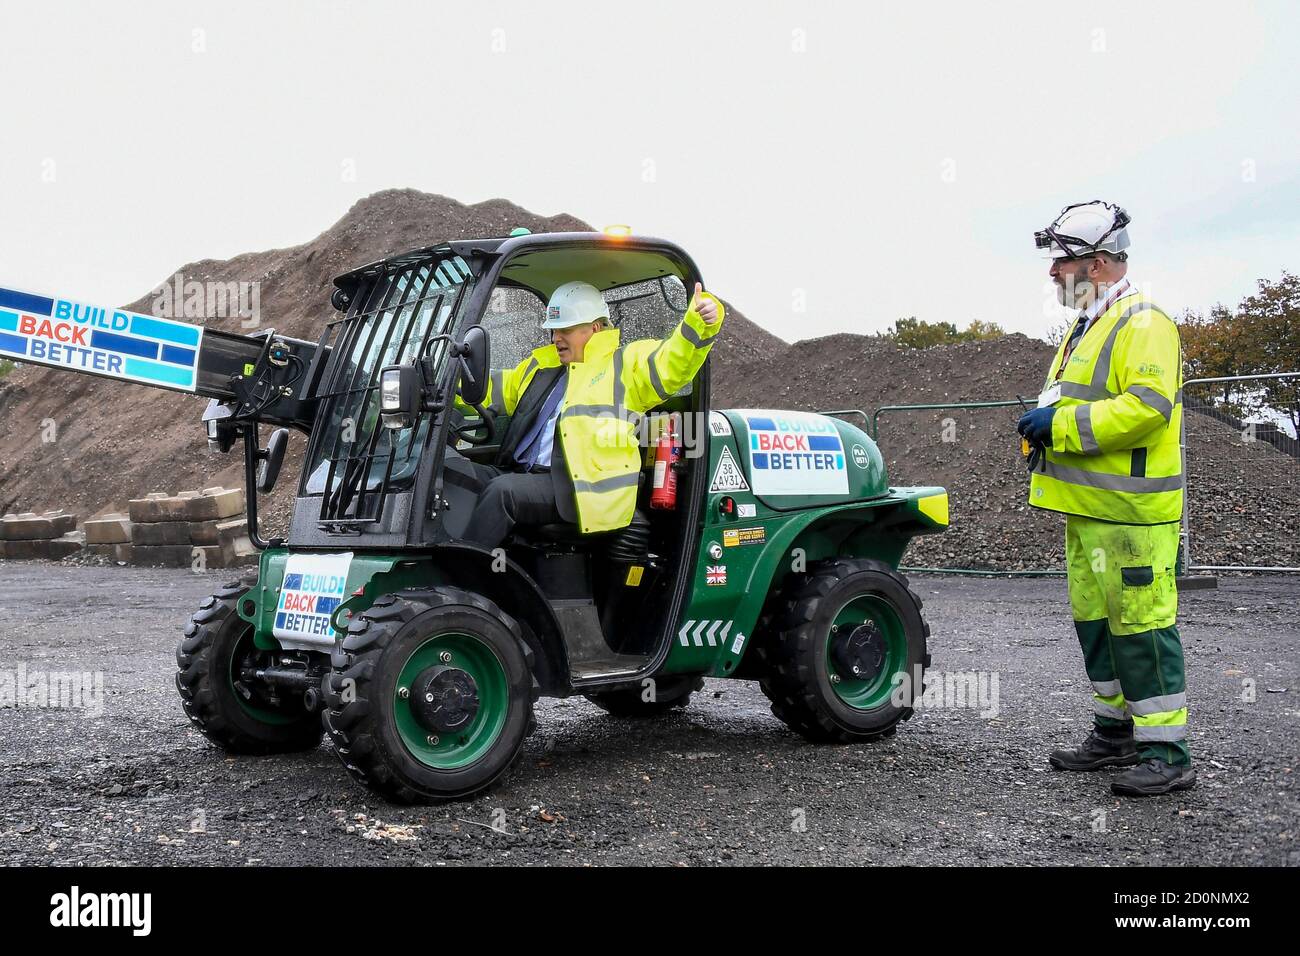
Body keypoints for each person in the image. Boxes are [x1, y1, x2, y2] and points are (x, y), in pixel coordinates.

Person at [1018, 201, 1195, 797]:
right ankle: (1116, 733)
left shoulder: (1145, 322)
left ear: (1096, 264)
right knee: (1098, 624)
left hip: (1131, 515)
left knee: (1142, 627)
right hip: (1091, 511)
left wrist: (1059, 428)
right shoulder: (1089, 323)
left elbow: (1147, 409)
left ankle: (1167, 750)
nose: (1051, 274)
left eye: (1060, 262)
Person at [459, 279, 723, 548]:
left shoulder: (625, 367)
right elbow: (486, 390)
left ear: (594, 328)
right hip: (525, 473)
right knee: (450, 470)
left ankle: (462, 575)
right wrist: (442, 385)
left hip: (580, 490)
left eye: (565, 330)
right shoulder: (541, 366)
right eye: (553, 330)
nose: (555, 338)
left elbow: (672, 363)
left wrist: (700, 322)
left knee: (504, 493)